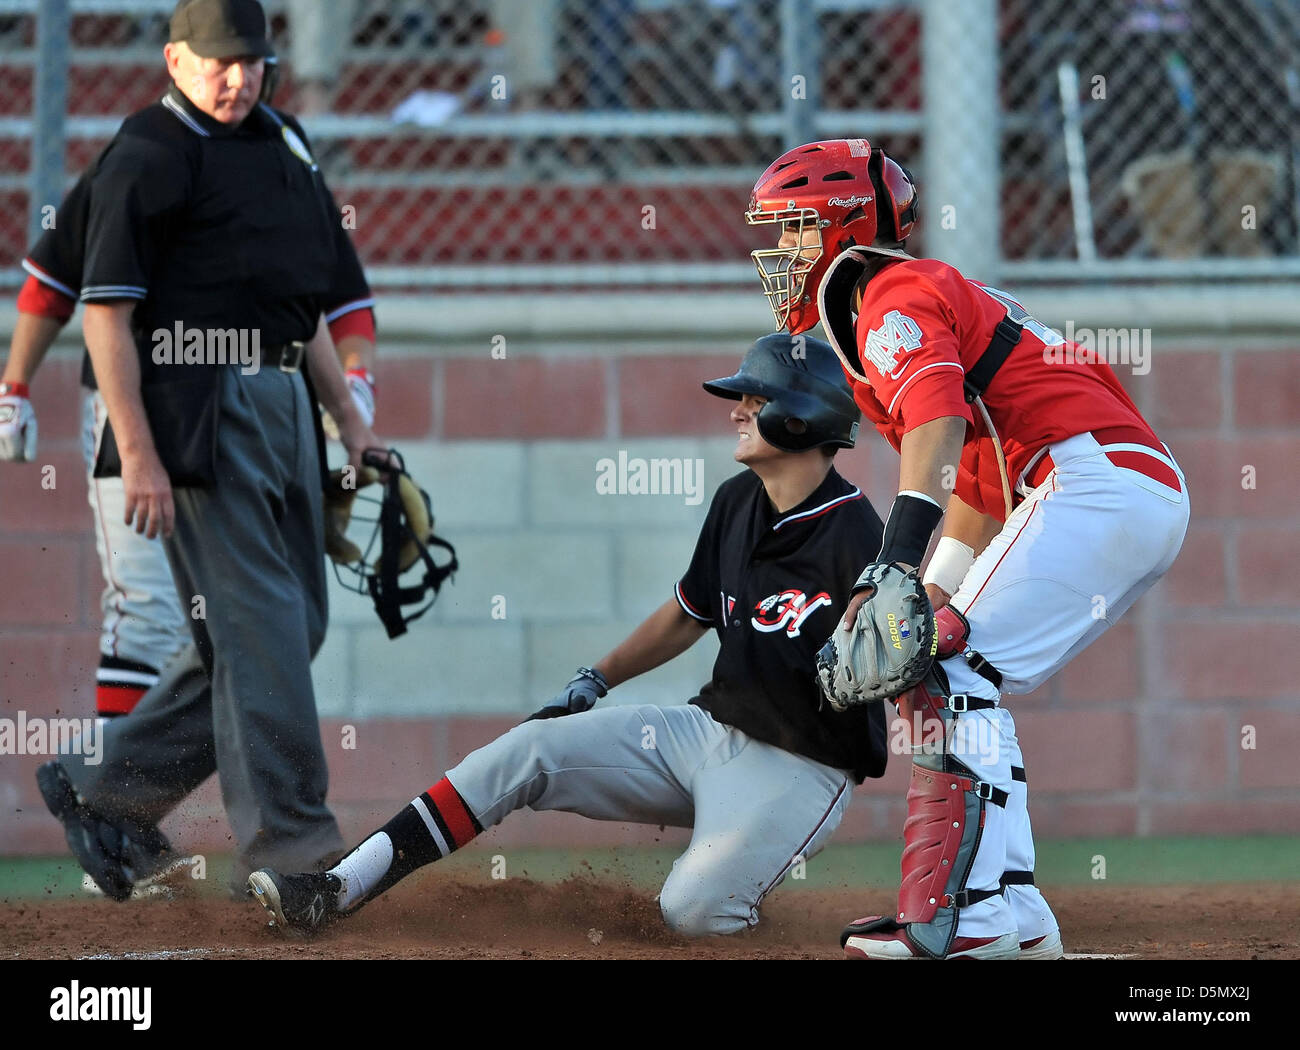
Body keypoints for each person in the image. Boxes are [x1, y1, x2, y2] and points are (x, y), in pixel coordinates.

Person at [247, 333, 890, 937]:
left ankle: (756, 920)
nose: (736, 412)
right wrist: (597, 676)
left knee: (691, 912)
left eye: (755, 399)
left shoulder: (857, 532)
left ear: (799, 417)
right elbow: (685, 614)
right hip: (711, 733)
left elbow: (900, 650)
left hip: (802, 768)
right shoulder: (735, 502)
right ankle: (335, 888)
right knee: (531, 746)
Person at [745, 138, 1189, 959]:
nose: (780, 251)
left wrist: (890, 564)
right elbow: (980, 482)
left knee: (946, 672)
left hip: (1090, 480)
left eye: (796, 229)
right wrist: (932, 593)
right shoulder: (893, 301)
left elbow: (940, 432)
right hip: (1110, 484)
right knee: (948, 661)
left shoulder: (891, 293)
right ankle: (1014, 920)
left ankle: (970, 918)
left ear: (846, 224)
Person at [34, 0, 384, 900]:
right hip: (195, 401)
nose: (236, 78)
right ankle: (293, 851)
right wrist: (140, 456)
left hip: (283, 395)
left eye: (251, 62)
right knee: (260, 623)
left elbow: (305, 302)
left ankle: (103, 790)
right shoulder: (150, 151)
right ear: (176, 59)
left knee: (286, 626)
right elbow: (106, 315)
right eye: (216, 62)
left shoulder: (285, 142)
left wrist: (351, 422)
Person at [1, 171, 377, 723]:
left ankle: (122, 790)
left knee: (262, 618)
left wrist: (355, 390)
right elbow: (56, 275)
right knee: (150, 611)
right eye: (217, 74)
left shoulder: (282, 157)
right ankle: (105, 796)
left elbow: (341, 297)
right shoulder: (145, 153)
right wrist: (13, 384)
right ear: (178, 75)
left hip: (254, 405)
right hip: (139, 399)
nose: (233, 82)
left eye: (247, 74)